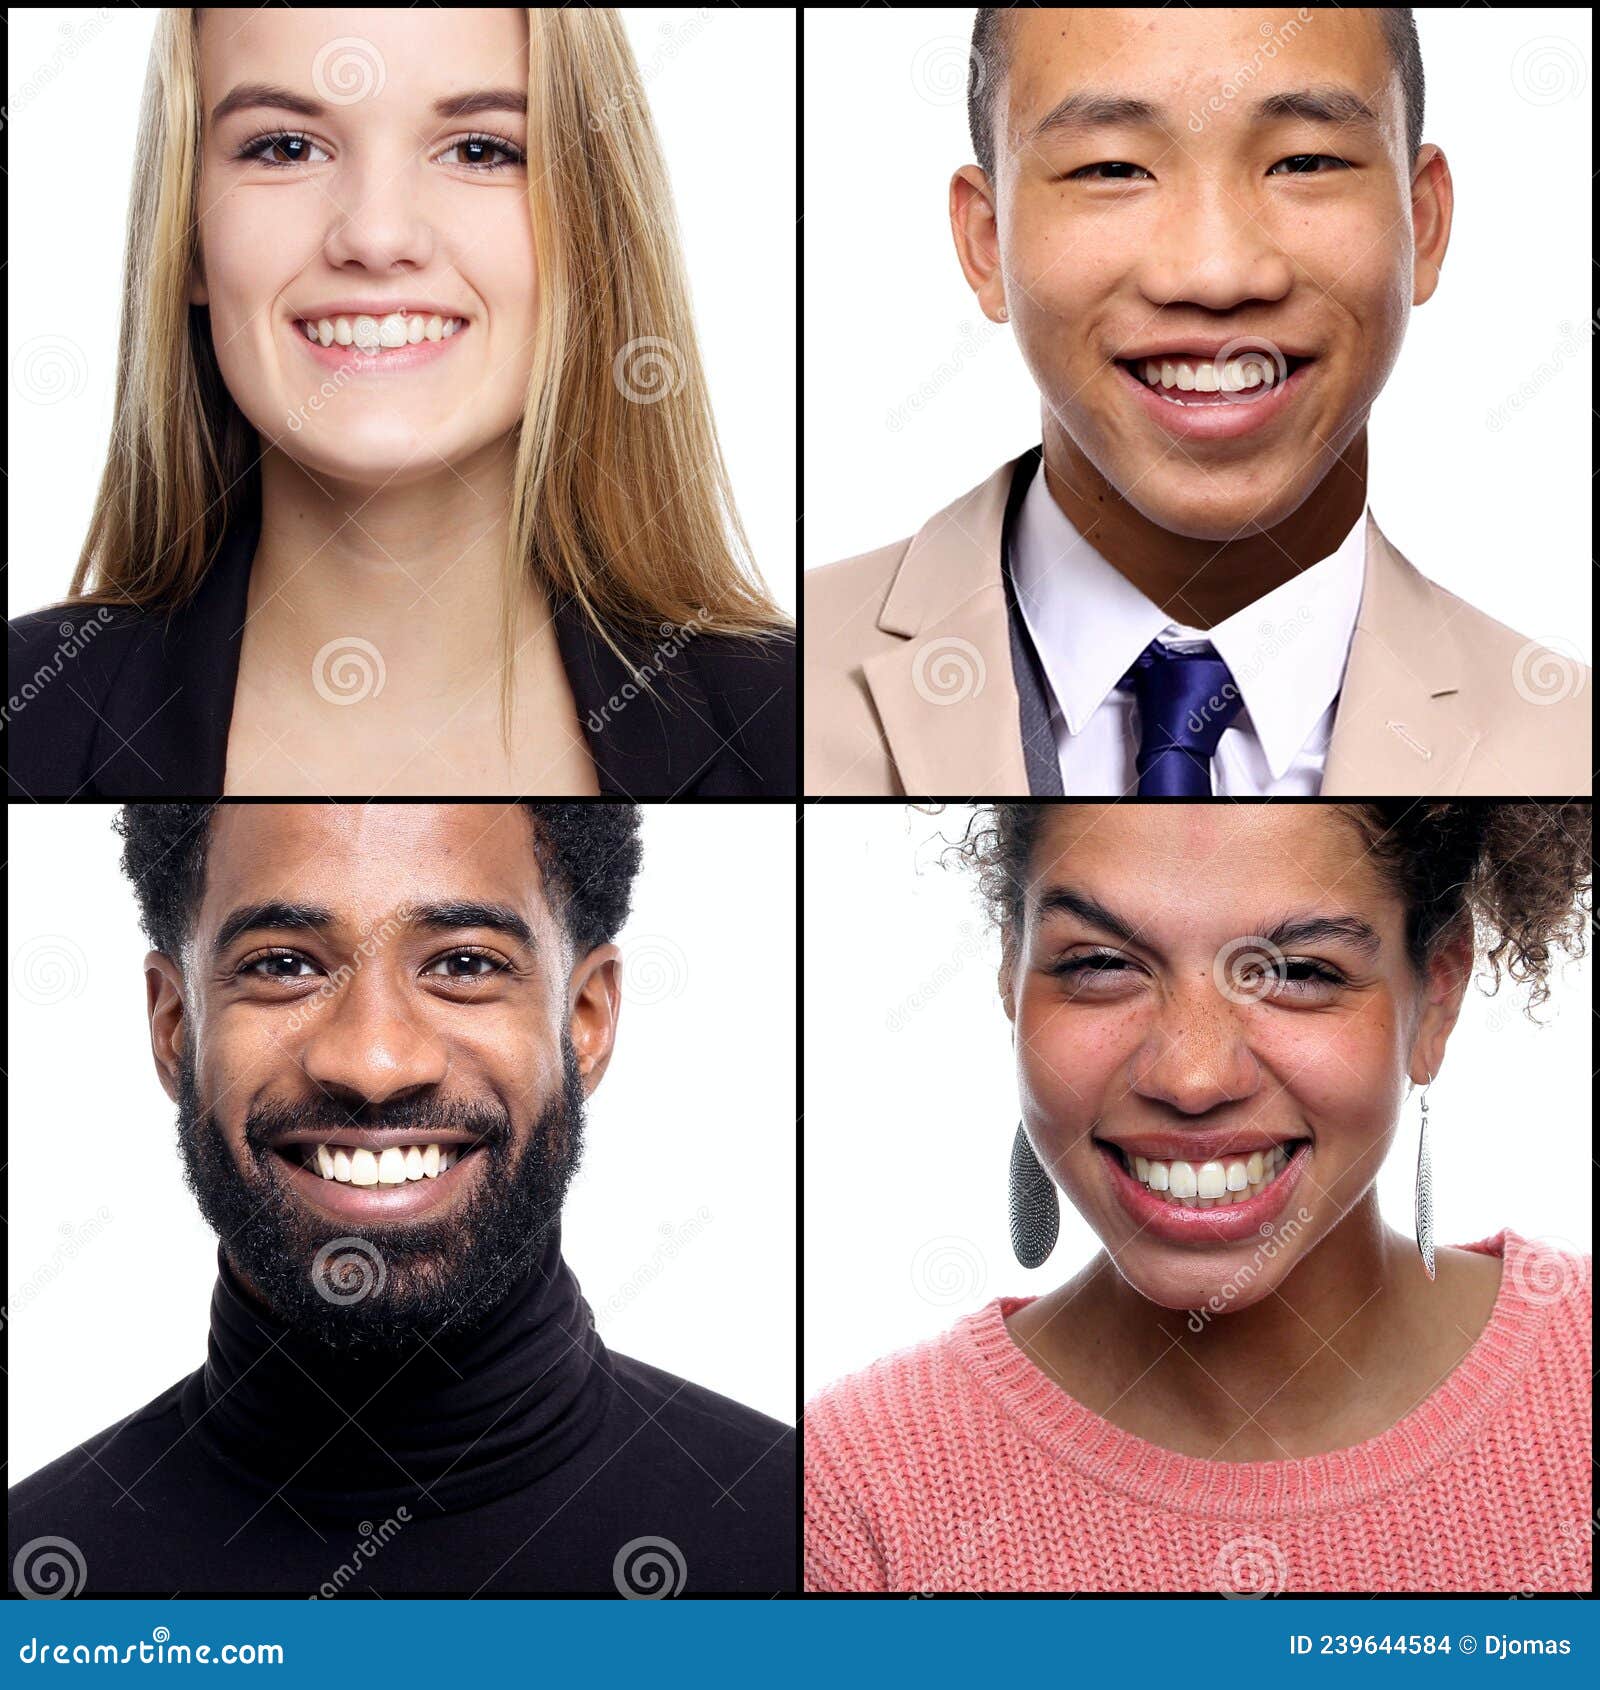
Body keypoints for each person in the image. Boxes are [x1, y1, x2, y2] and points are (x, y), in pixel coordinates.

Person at [9, 803, 794, 1596]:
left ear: (586, 1018)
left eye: (465, 964)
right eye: (282, 966)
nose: (374, 1064)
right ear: (175, 1027)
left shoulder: (806, 1543)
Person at [805, 802, 1591, 1593]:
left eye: (1296, 972)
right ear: (1013, 977)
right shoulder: (852, 1488)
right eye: (1100, 964)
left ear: (1437, 998)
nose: (1192, 1079)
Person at [7, 10, 793, 799]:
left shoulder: (792, 721)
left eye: (480, 150)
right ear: (187, 238)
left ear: (591, 228)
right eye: (286, 147)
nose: (376, 237)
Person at [805, 9, 1588, 796]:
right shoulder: (783, 683)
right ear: (986, 241)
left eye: (1304, 161)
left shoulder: (1569, 740)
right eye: (1113, 169)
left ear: (1422, 222)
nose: (1216, 273)